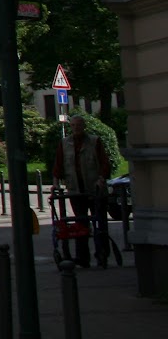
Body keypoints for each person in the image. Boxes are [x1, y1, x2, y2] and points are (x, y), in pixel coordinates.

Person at [54, 114, 113, 268]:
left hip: (94, 190)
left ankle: (102, 255)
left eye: (78, 125)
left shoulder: (94, 141)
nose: (76, 128)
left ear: (84, 126)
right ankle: (82, 257)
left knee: (100, 223)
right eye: (73, 126)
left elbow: (104, 163)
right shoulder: (65, 143)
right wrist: (56, 184)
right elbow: (59, 166)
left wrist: (101, 179)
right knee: (81, 224)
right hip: (76, 190)